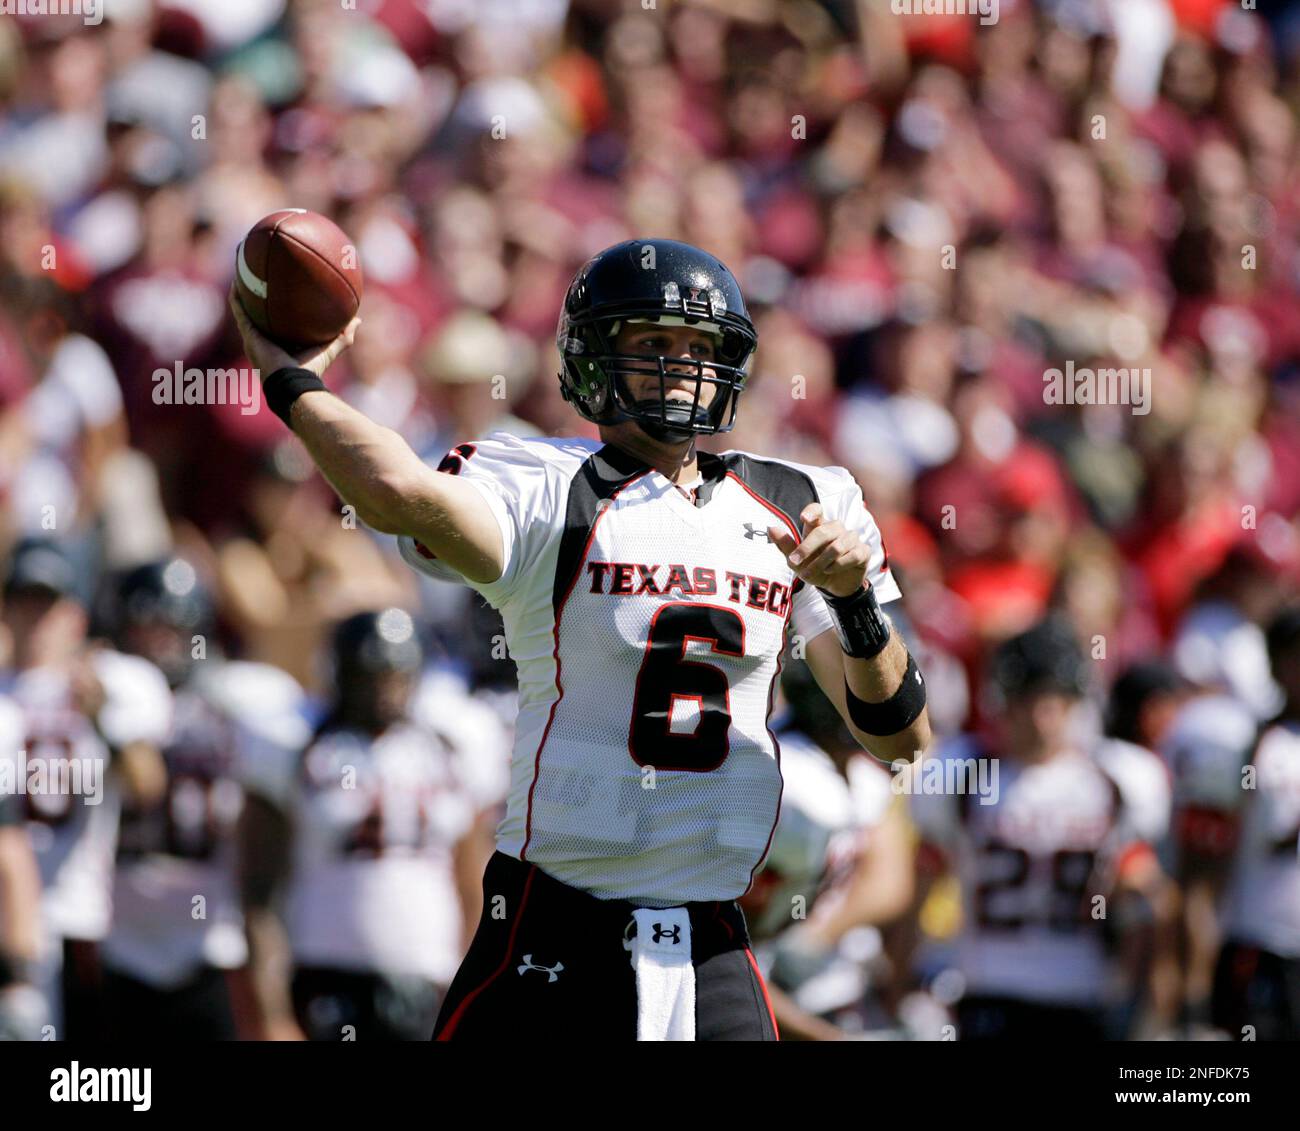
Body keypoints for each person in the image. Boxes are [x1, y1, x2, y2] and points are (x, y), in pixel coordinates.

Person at [229, 238, 932, 1041]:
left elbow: (900, 738)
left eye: (701, 347)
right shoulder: (544, 485)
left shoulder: (803, 498)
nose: (683, 366)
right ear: (596, 357)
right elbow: (396, 491)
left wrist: (854, 606)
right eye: (655, 343)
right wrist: (292, 379)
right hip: (556, 920)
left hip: (712, 941)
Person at [908, 619, 1176, 1040]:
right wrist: (900, 973)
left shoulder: (1115, 779)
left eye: (1051, 701)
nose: (1037, 716)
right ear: (1002, 701)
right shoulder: (961, 774)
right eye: (1025, 700)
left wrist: (1139, 984)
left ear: (1074, 703)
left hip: (1082, 990)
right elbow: (921, 881)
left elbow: (1143, 891)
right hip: (989, 986)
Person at [238, 609, 497, 1041]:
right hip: (325, 974)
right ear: (342, 673)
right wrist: (272, 1011)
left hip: (428, 976)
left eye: (396, 676)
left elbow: (474, 882)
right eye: (371, 676)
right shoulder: (297, 743)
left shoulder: (447, 748)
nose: (384, 691)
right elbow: (257, 888)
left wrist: (475, 987)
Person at [101, 556, 308, 1040]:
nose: (161, 641)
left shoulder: (236, 704)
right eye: (148, 626)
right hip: (116, 941)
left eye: (174, 628)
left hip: (209, 946)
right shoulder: (103, 694)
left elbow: (272, 827)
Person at [0, 537, 172, 1039]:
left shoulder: (115, 682)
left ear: (74, 614)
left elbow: (147, 787)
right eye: (23, 603)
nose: (35, 619)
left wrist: (104, 719)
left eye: (46, 604)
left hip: (79, 915)